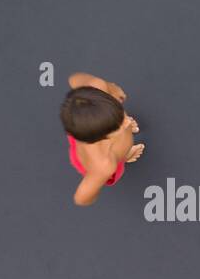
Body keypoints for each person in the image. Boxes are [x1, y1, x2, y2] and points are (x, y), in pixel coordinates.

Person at [61, 72, 144, 206]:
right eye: (116, 127)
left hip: (83, 132)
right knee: (120, 154)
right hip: (100, 161)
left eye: (119, 114)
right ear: (99, 138)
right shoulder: (104, 165)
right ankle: (125, 157)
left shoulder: (97, 86)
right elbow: (81, 198)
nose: (127, 121)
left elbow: (74, 79)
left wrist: (111, 88)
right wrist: (95, 190)